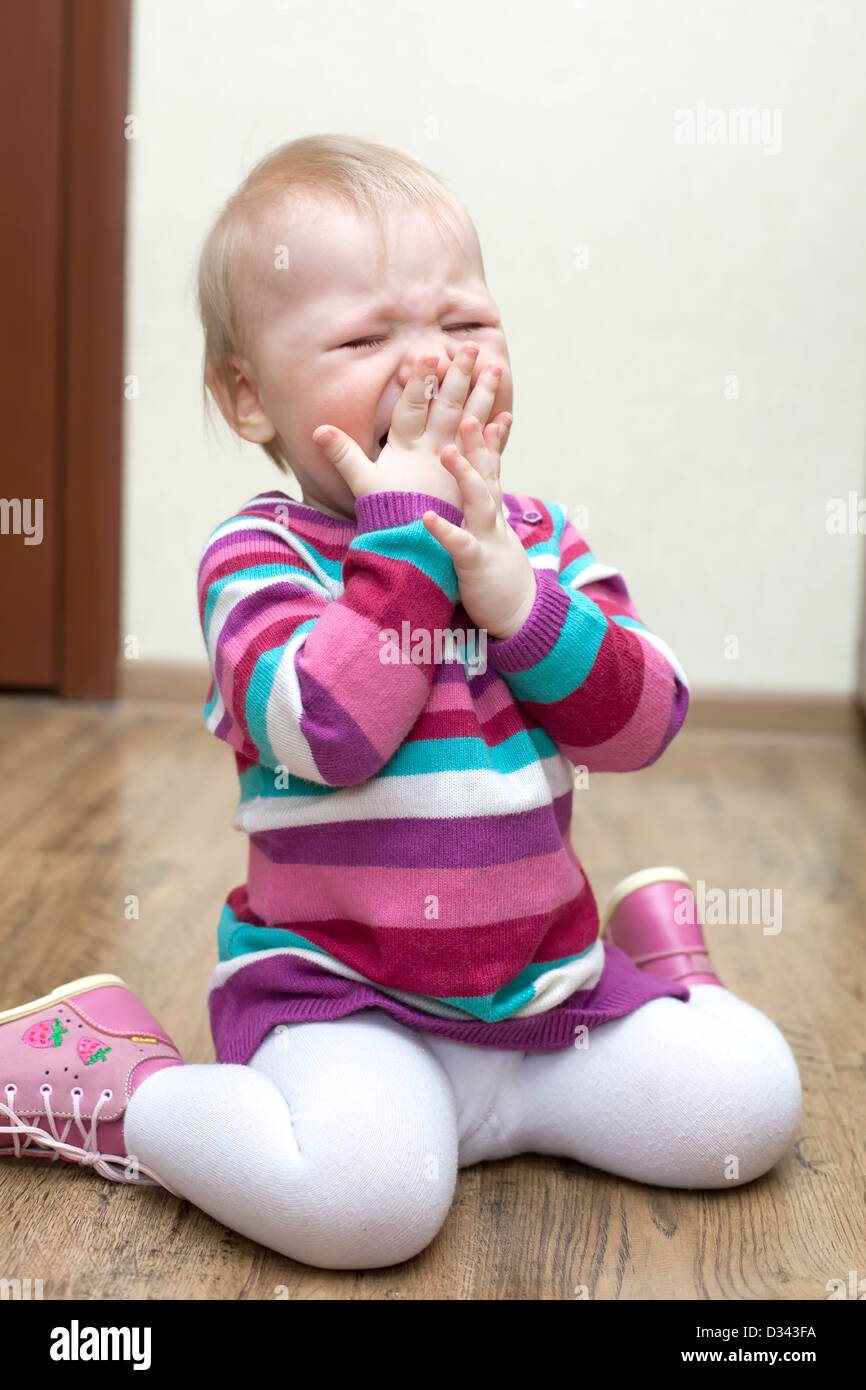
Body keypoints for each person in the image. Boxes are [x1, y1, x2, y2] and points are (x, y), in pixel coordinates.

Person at [0, 134, 802, 1271]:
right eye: (367, 337)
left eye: (463, 324)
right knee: (367, 1206)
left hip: (551, 1000)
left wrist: (520, 599)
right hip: (347, 1007)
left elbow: (643, 724)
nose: (429, 363)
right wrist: (406, 551)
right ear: (248, 395)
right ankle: (121, 1085)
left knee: (746, 1113)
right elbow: (329, 731)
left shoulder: (536, 539)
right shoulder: (260, 558)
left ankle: (664, 974)